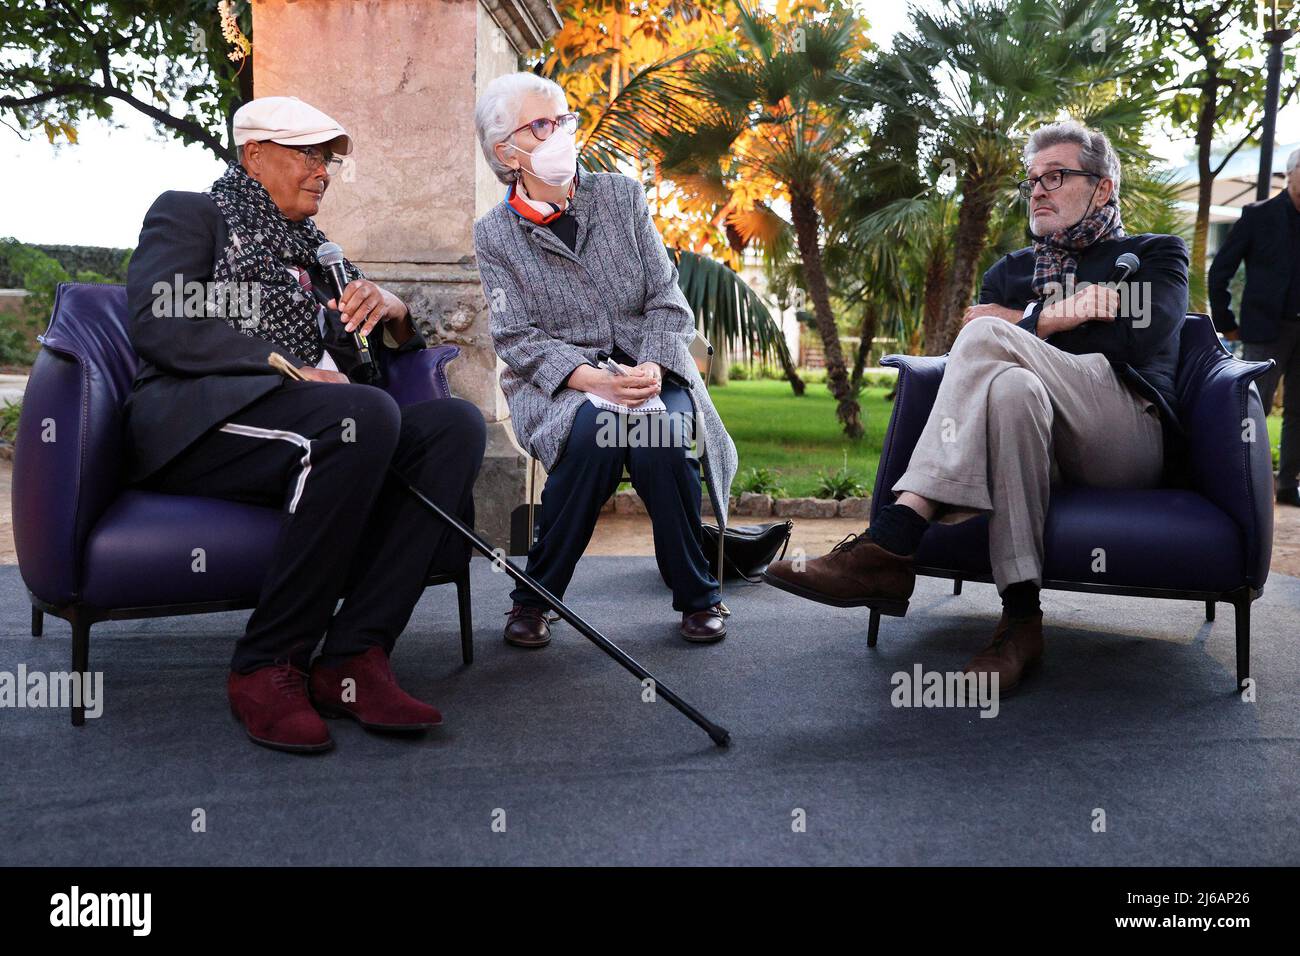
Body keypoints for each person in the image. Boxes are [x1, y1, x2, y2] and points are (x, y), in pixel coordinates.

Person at [765, 120, 1189, 694]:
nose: (1037, 190)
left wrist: (1022, 324)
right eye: (1032, 180)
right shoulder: (1011, 271)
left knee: (994, 344)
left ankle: (895, 535)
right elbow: (976, 334)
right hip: (1035, 440)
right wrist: (1064, 314)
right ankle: (1020, 620)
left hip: (1124, 436)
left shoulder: (1154, 254)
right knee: (1012, 390)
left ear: (1103, 187)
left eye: (1056, 176)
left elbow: (1140, 339)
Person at [124, 96, 486, 753]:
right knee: (362, 414)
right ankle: (266, 665)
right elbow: (160, 319)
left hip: (328, 423)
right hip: (207, 423)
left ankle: (354, 654)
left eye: (329, 160)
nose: (323, 171)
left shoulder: (319, 254)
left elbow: (391, 349)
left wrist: (393, 306)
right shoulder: (192, 212)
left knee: (454, 427)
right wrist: (284, 366)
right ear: (254, 155)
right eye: (309, 155)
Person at [472, 73, 738, 648]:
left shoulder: (621, 196)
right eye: (540, 125)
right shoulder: (495, 234)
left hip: (648, 371)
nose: (559, 134)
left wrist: (655, 368)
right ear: (505, 151)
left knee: (659, 432)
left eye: (563, 120)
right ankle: (535, 598)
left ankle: (697, 596)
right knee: (596, 435)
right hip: (563, 386)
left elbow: (668, 302)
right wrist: (593, 380)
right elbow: (517, 336)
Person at [1208, 146, 1300, 507]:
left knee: (1298, 410)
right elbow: (1220, 272)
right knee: (1253, 407)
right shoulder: (1258, 215)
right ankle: (1241, 480)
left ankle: (1288, 484)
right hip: (1266, 328)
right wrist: (1226, 321)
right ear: (1291, 173)